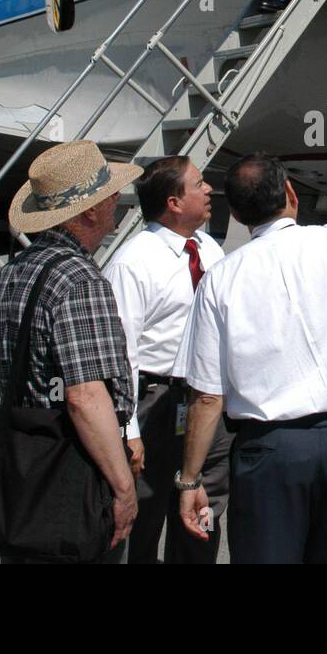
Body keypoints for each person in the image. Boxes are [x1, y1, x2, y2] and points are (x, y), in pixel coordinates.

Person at [172, 106, 327, 563]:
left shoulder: (221, 279)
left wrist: (190, 479)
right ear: (290, 193)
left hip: (271, 452)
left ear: (239, 213)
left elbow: (207, 397)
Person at [0, 140, 141, 563]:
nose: (116, 200)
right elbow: (85, 397)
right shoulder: (79, 280)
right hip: (72, 474)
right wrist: (123, 489)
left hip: (26, 470)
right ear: (90, 210)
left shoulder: (13, 271)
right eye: (109, 193)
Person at [102, 156, 230, 564]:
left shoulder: (209, 248)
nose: (209, 189)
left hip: (207, 402)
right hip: (156, 403)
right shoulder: (133, 261)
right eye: (199, 184)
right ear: (174, 203)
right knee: (144, 514)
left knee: (205, 511)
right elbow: (121, 353)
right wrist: (129, 429)